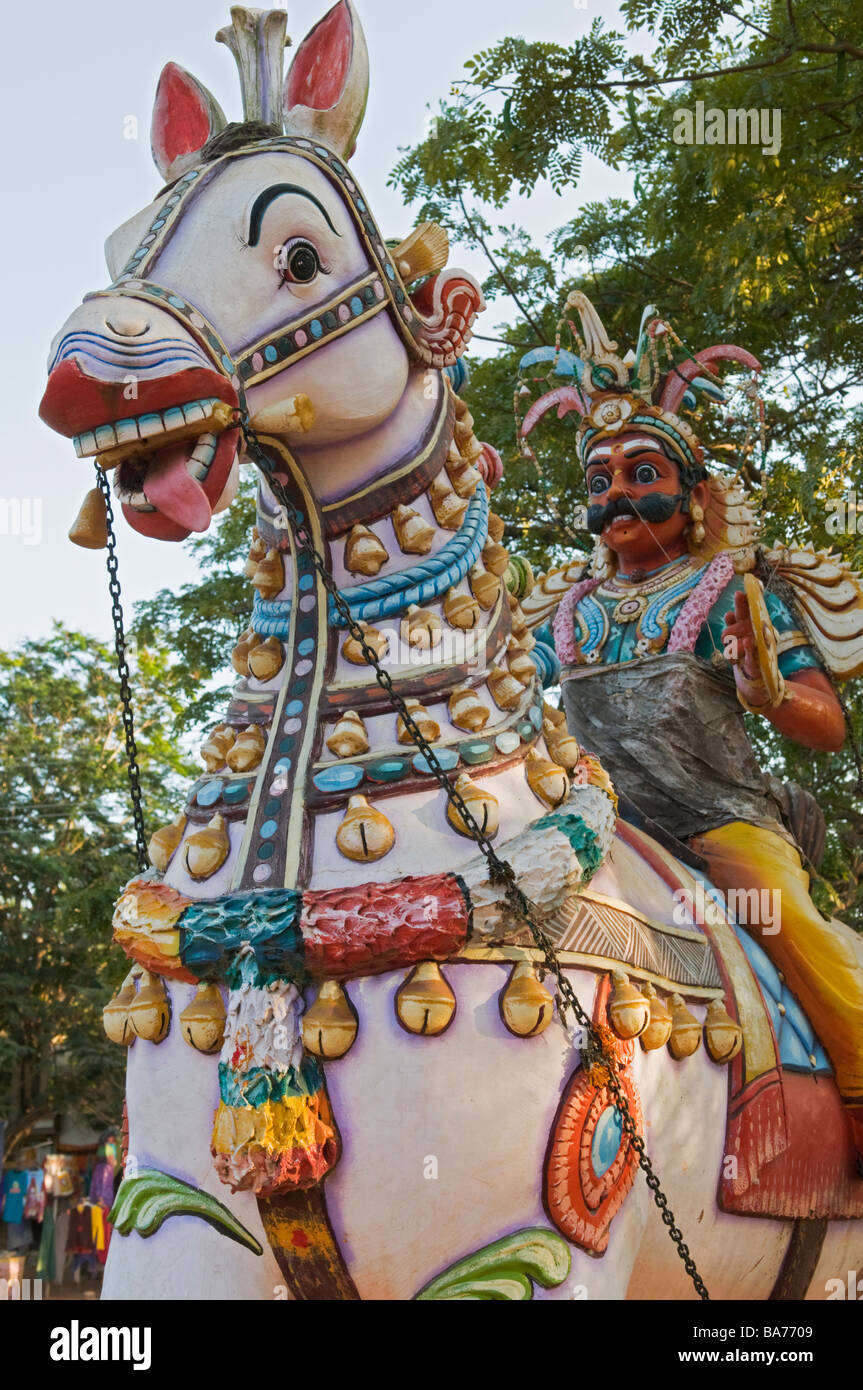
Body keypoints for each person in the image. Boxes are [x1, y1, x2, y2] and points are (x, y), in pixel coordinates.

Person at [519, 291, 863, 1165]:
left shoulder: (728, 594)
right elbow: (497, 699)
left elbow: (827, 727)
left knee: (788, 922)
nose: (620, 494)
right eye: (600, 482)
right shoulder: (567, 614)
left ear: (692, 492)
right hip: (593, 830)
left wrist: (766, 690)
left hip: (717, 826)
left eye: (643, 473)